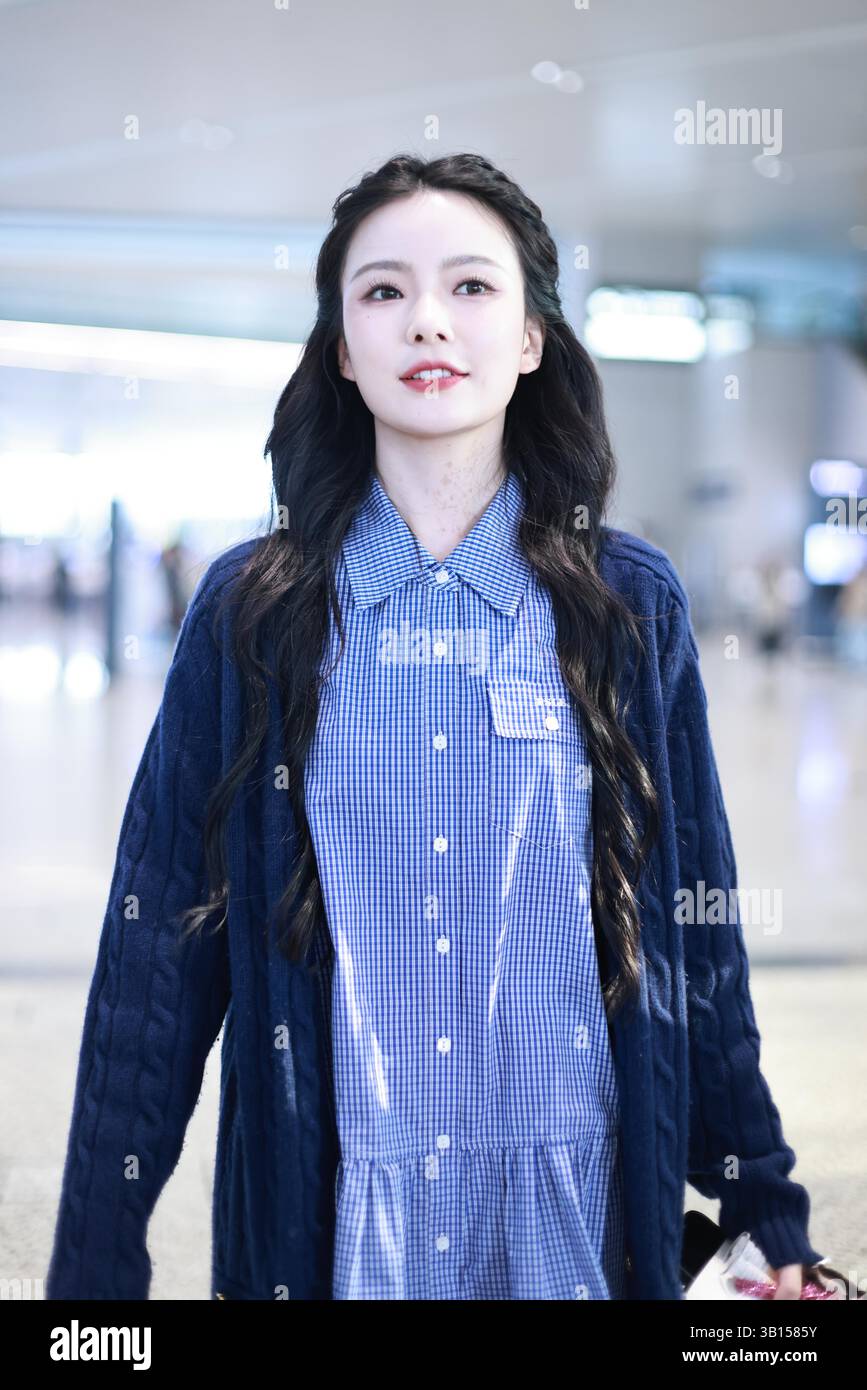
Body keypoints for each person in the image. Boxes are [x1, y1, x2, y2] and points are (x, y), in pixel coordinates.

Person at [45, 152, 822, 1301]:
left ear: (529, 338)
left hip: (581, 1223)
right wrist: (94, 1266)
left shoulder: (627, 606)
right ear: (343, 351)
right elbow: (159, 950)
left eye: (470, 287)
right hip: (343, 1230)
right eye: (382, 291)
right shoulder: (253, 616)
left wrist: (762, 1199)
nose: (427, 323)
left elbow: (694, 921)